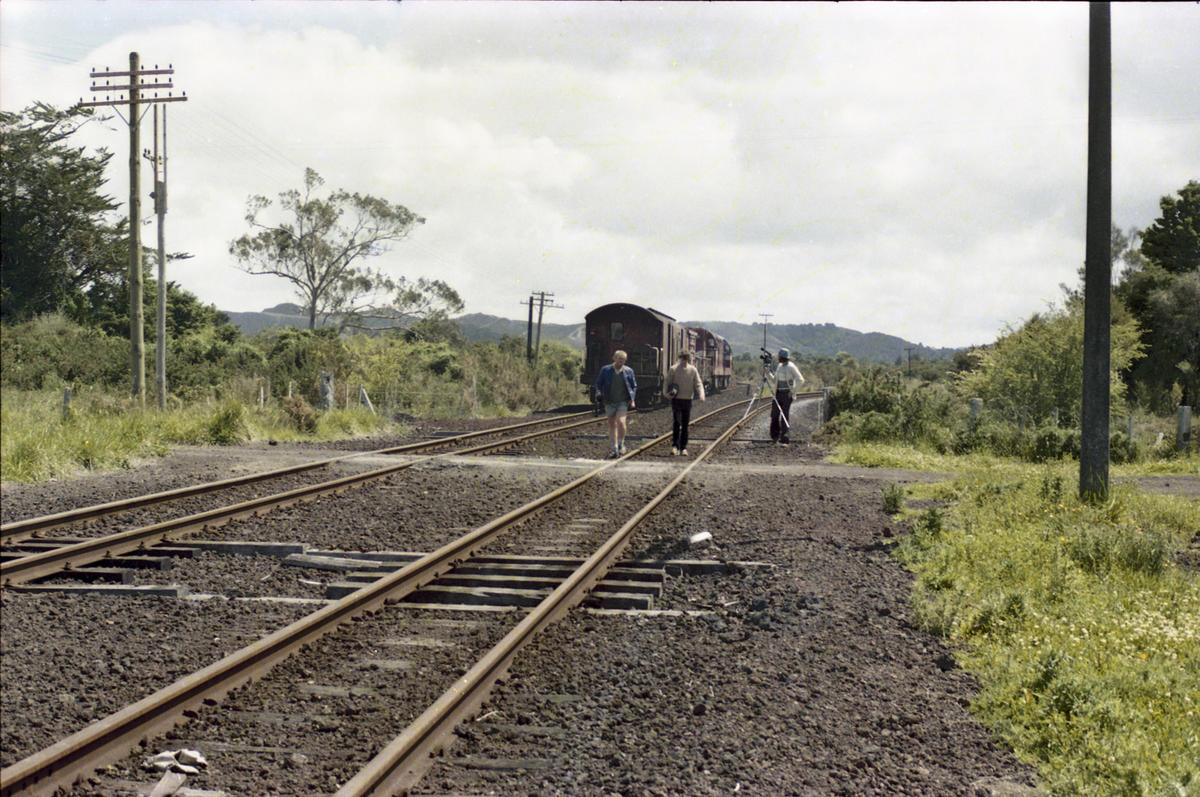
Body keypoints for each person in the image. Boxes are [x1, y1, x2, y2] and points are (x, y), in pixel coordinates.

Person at [594, 349, 637, 458]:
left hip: (622, 401)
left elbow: (633, 386)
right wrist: (598, 392)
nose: (621, 362)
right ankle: (614, 447)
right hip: (609, 401)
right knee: (612, 425)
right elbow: (598, 383)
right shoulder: (605, 370)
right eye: (619, 360)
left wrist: (632, 399)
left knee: (621, 422)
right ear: (614, 359)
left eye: (623, 360)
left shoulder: (628, 371)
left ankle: (621, 444)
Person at [663, 350, 705, 456]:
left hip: (687, 400)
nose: (684, 361)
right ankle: (675, 446)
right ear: (680, 358)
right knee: (677, 422)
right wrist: (665, 393)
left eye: (686, 359)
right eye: (682, 359)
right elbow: (667, 382)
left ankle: (683, 447)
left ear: (688, 359)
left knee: (685, 424)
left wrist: (701, 394)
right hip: (676, 399)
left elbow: (698, 383)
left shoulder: (693, 370)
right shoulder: (673, 369)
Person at [764, 347, 804, 444]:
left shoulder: (791, 367)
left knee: (784, 415)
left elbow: (800, 379)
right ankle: (774, 435)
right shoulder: (780, 366)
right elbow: (774, 381)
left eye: (779, 356)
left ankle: (784, 437)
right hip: (778, 393)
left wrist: (793, 392)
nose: (778, 358)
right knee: (774, 414)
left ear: (782, 357)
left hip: (787, 394)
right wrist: (768, 373)